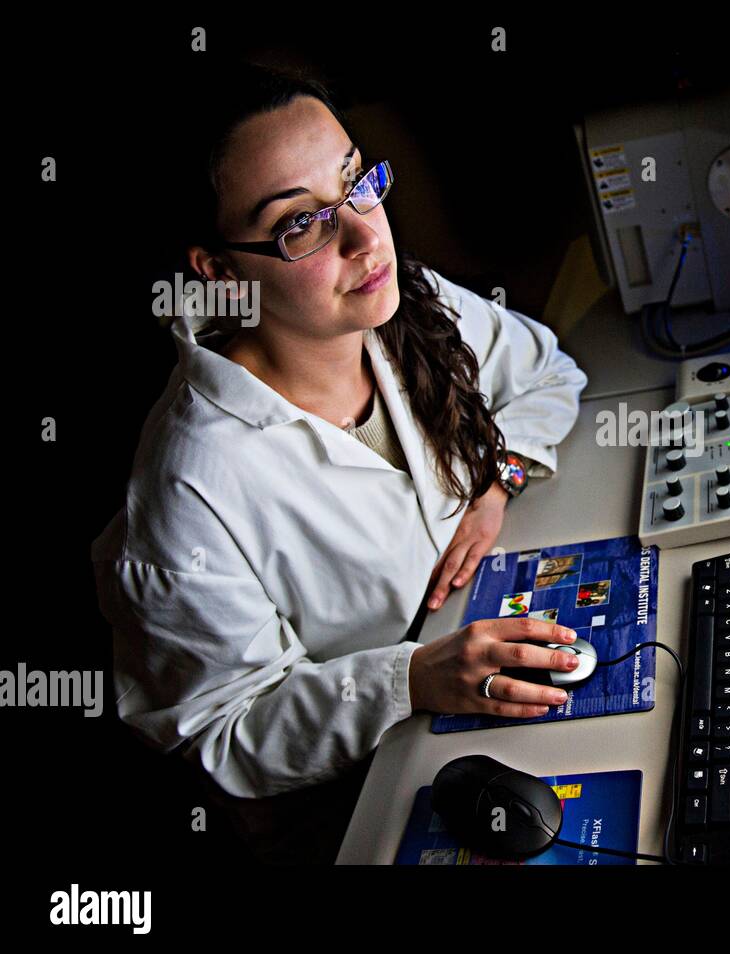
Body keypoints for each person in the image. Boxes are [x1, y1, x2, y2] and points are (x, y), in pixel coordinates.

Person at [90, 61, 589, 863]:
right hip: (373, 782)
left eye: (357, 181)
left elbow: (544, 371)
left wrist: (503, 480)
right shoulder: (191, 482)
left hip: (490, 668)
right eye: (301, 224)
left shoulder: (396, 295)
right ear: (219, 271)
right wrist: (410, 680)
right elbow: (225, 727)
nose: (367, 233)